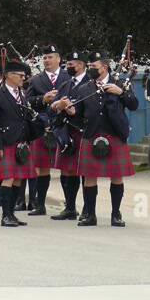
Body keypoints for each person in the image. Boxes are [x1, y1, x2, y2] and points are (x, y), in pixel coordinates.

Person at [64, 51, 138, 227]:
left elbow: (134, 105)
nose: (90, 70)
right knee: (89, 176)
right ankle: (90, 214)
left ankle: (116, 214)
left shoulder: (120, 83)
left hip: (115, 134)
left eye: (93, 67)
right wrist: (71, 111)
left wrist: (121, 93)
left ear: (104, 67)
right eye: (89, 67)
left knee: (117, 176)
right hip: (92, 134)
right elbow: (78, 115)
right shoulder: (84, 89)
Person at [0, 60, 39, 226]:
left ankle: (12, 214)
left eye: (24, 75)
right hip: (6, 142)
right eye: (20, 75)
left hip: (21, 142)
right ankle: (5, 215)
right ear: (9, 75)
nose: (23, 78)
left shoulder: (21, 94)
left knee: (18, 179)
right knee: (8, 178)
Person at [24, 45, 72, 216]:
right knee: (41, 167)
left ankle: (70, 206)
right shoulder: (36, 80)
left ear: (59, 59)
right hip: (42, 128)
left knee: (67, 168)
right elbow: (27, 101)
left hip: (64, 126)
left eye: (50, 57)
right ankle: (39, 204)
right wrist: (42, 99)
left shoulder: (69, 77)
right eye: (44, 58)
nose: (47, 60)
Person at [47, 51, 90, 220]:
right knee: (67, 171)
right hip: (66, 132)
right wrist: (57, 105)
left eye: (72, 64)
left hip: (83, 131)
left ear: (81, 65)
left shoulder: (90, 83)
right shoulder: (66, 84)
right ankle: (70, 207)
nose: (68, 67)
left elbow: (93, 108)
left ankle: (88, 208)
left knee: (86, 173)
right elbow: (52, 108)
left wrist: (73, 110)